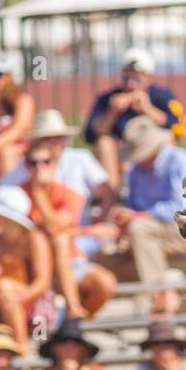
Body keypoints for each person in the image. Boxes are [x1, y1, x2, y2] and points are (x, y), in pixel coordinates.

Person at [21, 134, 117, 319]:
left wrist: (39, 194)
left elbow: (55, 227)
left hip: (66, 263)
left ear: (54, 163)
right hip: (31, 265)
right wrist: (39, 193)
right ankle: (72, 312)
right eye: (34, 163)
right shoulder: (17, 194)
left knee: (105, 283)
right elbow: (54, 230)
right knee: (57, 239)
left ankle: (71, 328)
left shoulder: (69, 193)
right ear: (26, 165)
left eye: (46, 162)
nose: (40, 168)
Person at [111, 117, 186, 313]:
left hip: (185, 228)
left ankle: (159, 298)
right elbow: (133, 207)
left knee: (139, 229)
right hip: (152, 231)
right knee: (112, 244)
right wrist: (123, 218)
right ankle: (156, 293)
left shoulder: (178, 160)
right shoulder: (135, 171)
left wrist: (136, 216)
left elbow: (182, 208)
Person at [84, 48, 186, 191]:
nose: (130, 85)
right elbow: (90, 134)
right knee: (104, 142)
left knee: (168, 140)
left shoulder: (162, 95)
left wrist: (148, 109)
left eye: (136, 80)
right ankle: (112, 194)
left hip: (151, 152)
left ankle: (168, 188)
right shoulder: (108, 99)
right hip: (122, 153)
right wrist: (112, 112)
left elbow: (178, 127)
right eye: (126, 78)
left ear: (148, 78)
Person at [0, 186, 55, 353]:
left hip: (31, 301)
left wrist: (21, 297)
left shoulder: (34, 239)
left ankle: (22, 349)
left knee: (5, 288)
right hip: (1, 299)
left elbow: (42, 282)